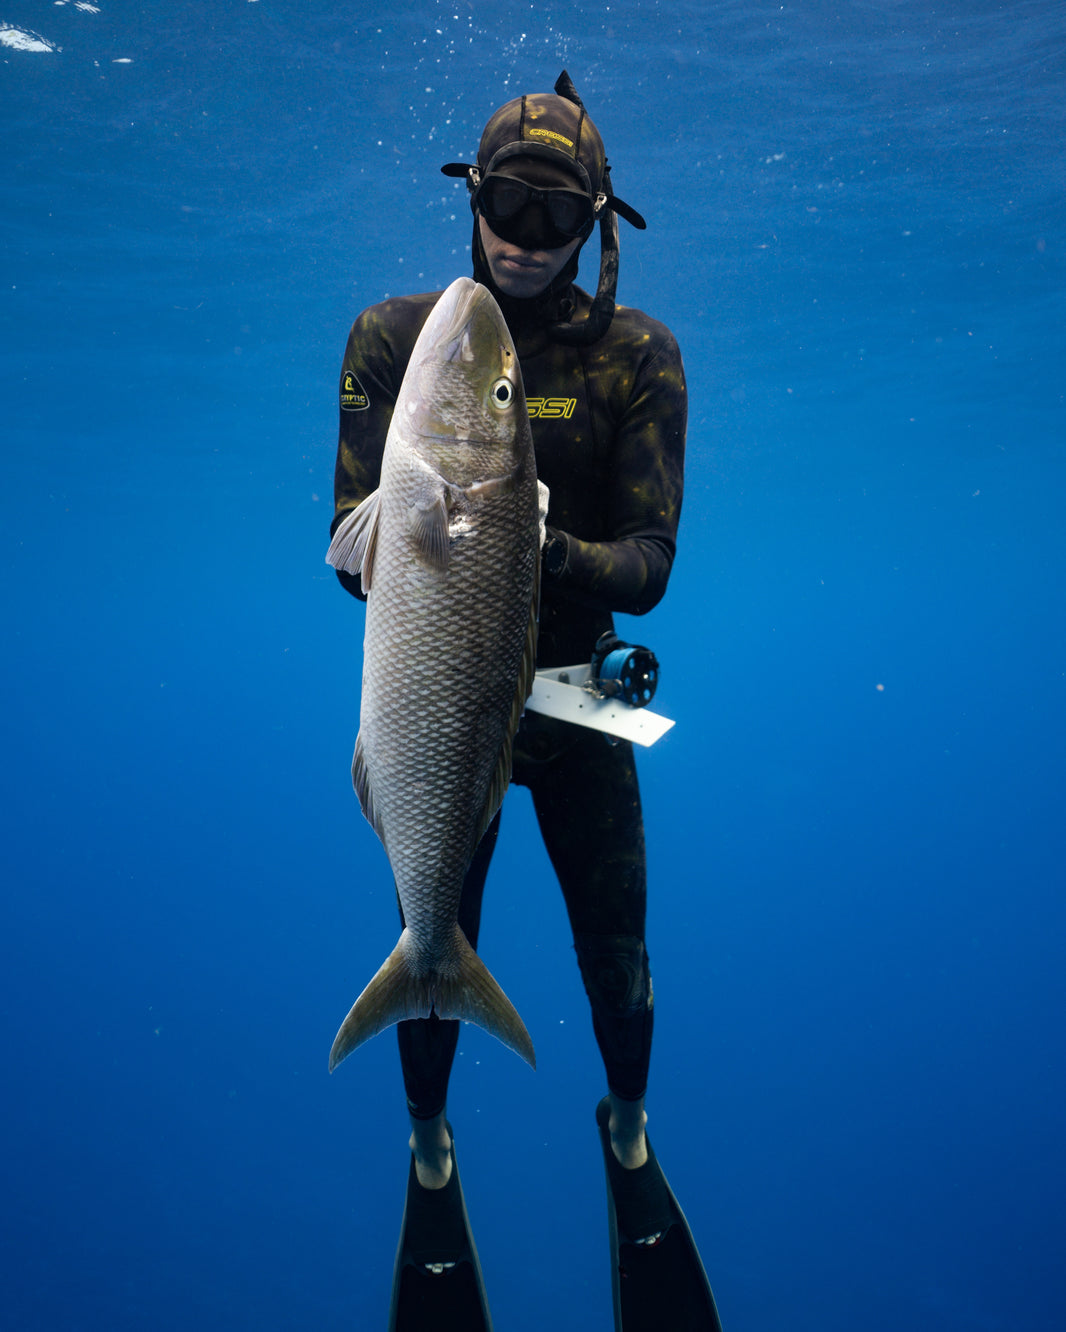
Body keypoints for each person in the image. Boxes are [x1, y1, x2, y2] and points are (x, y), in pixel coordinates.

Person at [331, 72, 722, 1332]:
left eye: (557, 218)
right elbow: (345, 551)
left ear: (596, 221)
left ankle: (627, 1125)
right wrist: (420, 534)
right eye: (509, 205)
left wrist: (542, 551)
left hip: (573, 706)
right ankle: (429, 1143)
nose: (526, 240)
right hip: (442, 710)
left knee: (618, 956)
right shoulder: (393, 342)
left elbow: (649, 570)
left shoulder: (637, 355)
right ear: (473, 197)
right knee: (431, 927)